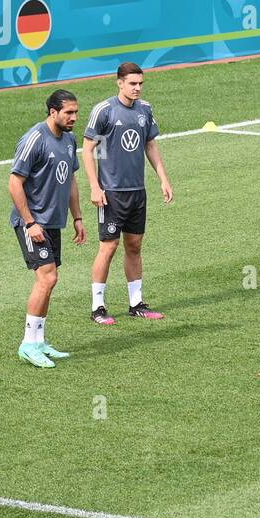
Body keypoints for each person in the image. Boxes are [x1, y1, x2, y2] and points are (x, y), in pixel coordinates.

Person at [82, 62, 173, 325]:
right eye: (132, 84)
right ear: (119, 82)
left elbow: (150, 144)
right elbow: (88, 150)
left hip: (137, 191)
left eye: (140, 84)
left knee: (134, 246)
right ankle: (98, 306)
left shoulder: (145, 110)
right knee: (108, 247)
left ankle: (136, 303)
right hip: (111, 193)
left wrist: (163, 179)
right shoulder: (104, 110)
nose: (137, 88)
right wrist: (94, 186)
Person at [9, 90, 87, 368]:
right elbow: (15, 182)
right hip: (32, 223)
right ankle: (28, 344)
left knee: (50, 279)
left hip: (54, 222)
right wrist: (30, 223)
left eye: (76, 112)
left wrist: (77, 217)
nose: (74, 118)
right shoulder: (35, 139)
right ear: (52, 112)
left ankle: (39, 341)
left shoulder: (69, 140)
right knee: (47, 278)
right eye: (69, 113)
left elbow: (71, 180)